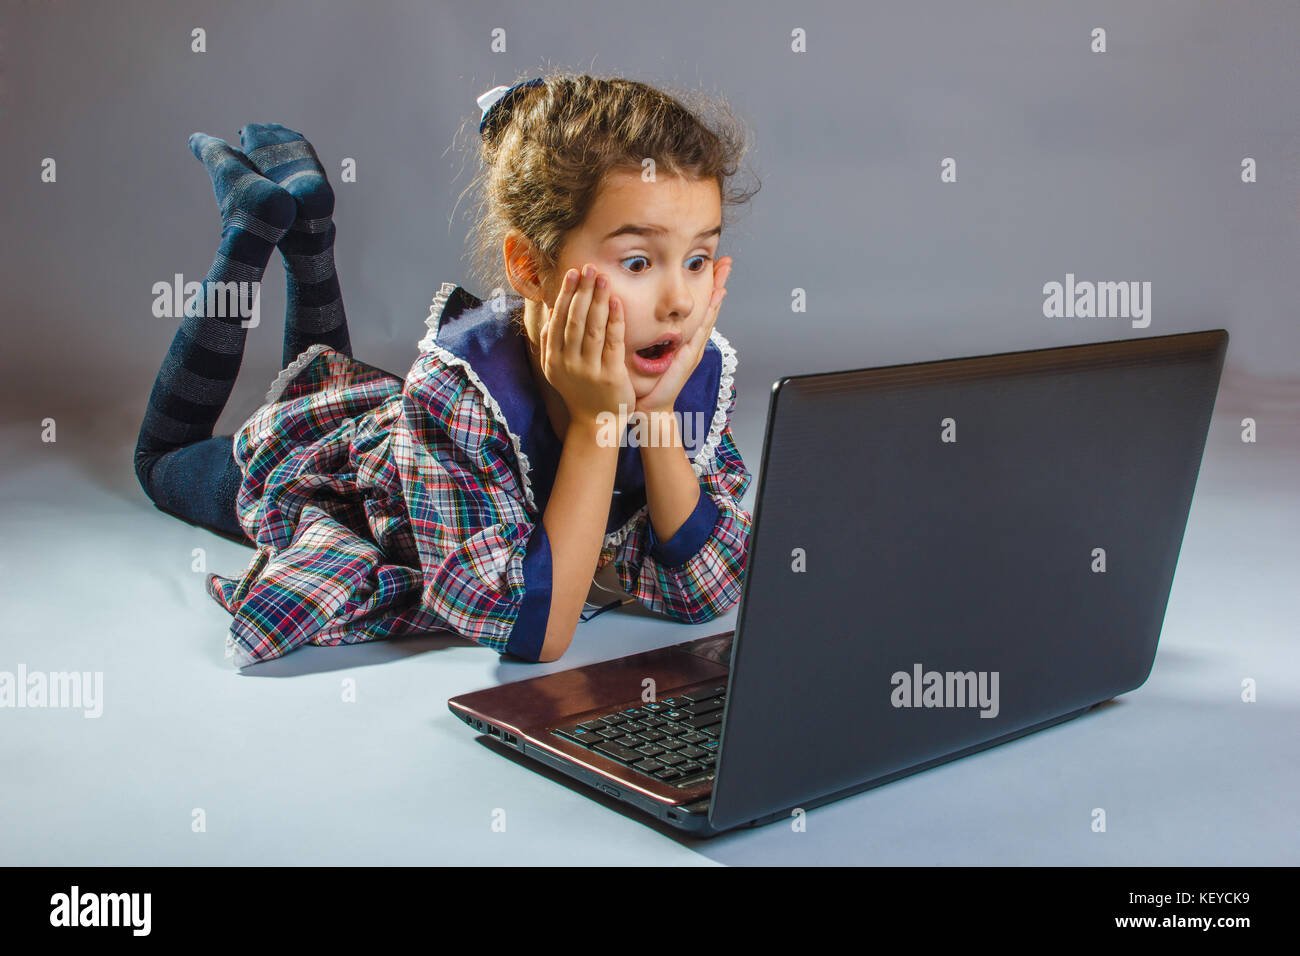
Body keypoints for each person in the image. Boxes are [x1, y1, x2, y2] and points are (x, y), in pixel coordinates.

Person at [133, 71, 760, 668]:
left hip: (397, 427)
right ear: (531, 268)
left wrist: (653, 417)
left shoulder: (681, 384)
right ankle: (249, 227)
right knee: (162, 462)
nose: (680, 301)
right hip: (342, 476)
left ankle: (308, 232)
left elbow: (703, 593)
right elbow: (534, 631)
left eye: (699, 259)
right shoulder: (459, 393)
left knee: (330, 367)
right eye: (639, 263)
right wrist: (600, 422)